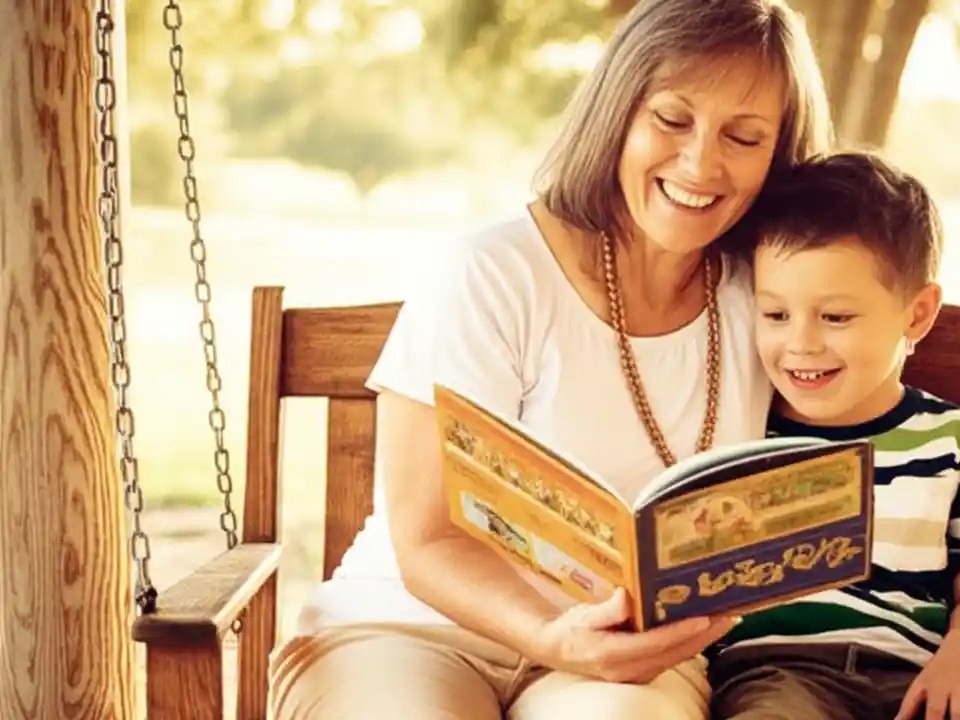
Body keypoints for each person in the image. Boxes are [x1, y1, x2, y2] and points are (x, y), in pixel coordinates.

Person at [268, 1, 834, 718]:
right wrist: (550, 636)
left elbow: (874, 407)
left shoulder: (770, 300)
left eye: (744, 137)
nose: (700, 162)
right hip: (408, 631)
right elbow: (425, 539)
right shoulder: (493, 271)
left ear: (778, 157)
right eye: (671, 119)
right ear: (618, 112)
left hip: (629, 661)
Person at [707, 152, 960, 720]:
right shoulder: (738, 430)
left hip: (926, 675)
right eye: (776, 315)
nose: (801, 343)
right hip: (780, 676)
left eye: (835, 317)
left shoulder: (955, 441)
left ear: (917, 315)